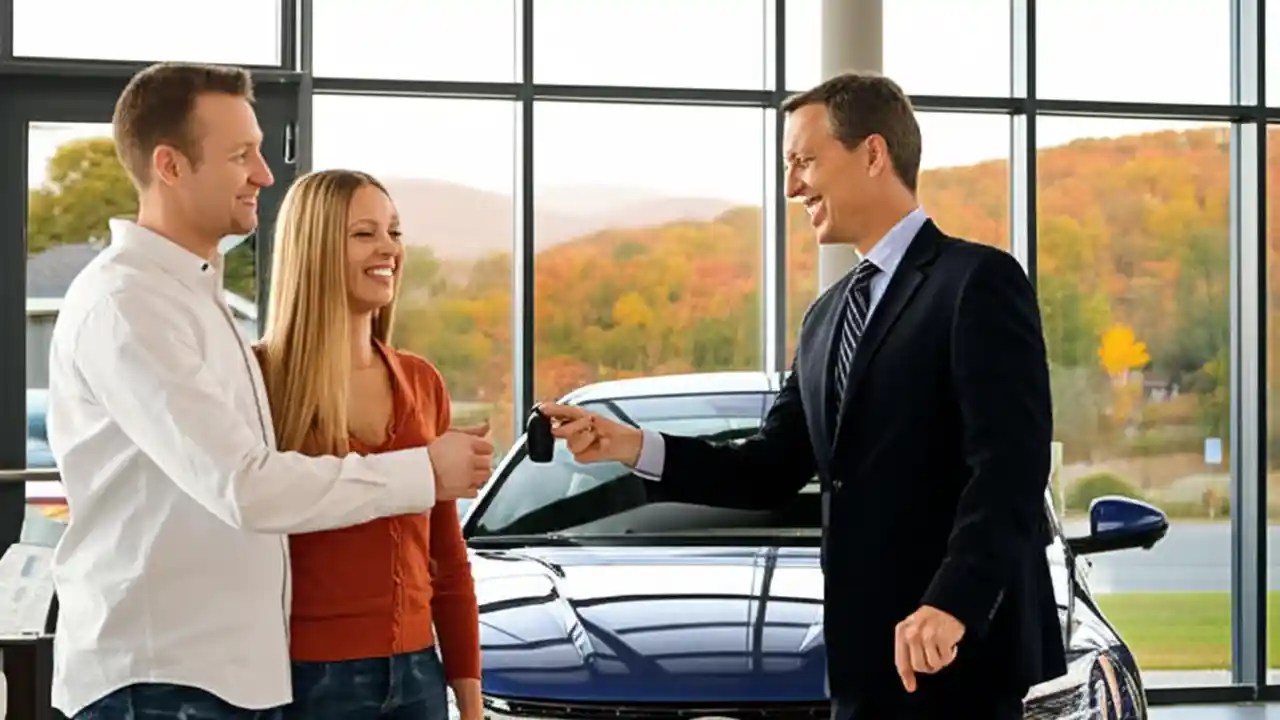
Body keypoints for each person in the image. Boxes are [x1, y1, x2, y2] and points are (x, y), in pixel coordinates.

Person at [539, 71, 1066, 720]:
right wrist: (634, 446)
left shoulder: (977, 282)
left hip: (959, 654)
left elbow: (1009, 466)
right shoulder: (826, 317)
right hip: (862, 661)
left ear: (873, 154)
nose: (792, 187)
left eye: (805, 162)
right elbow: (770, 467)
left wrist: (953, 602)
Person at [44, 62, 493, 720]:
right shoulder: (129, 305)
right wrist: (423, 469)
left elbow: (439, 557)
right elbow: (247, 487)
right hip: (160, 682)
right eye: (241, 155)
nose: (264, 173)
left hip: (222, 681)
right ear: (170, 166)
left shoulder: (192, 300)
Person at [252, 169, 482, 720]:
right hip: (301, 682)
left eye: (395, 233)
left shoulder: (421, 381)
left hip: (418, 676)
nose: (389, 250)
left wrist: (469, 701)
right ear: (314, 249)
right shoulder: (258, 380)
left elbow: (446, 559)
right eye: (364, 234)